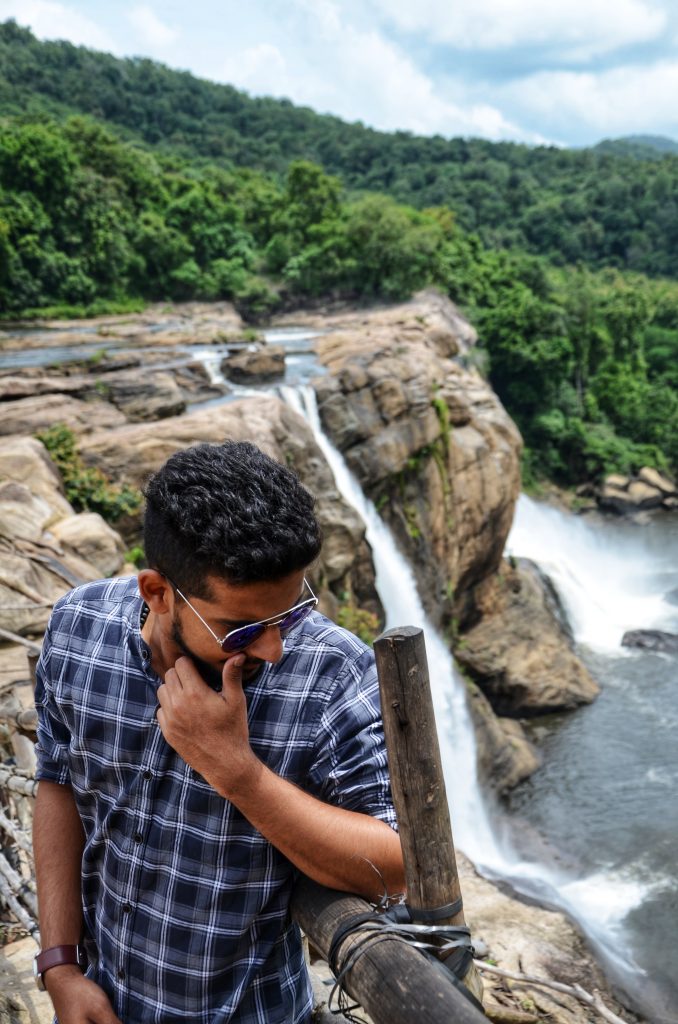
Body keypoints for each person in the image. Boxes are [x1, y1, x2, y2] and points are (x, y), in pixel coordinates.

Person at [33, 440, 405, 1024]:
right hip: (101, 999)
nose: (274, 647)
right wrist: (59, 968)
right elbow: (56, 783)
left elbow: (394, 866)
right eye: (243, 629)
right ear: (157, 592)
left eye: (292, 612)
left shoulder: (332, 674)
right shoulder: (79, 629)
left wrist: (238, 772)